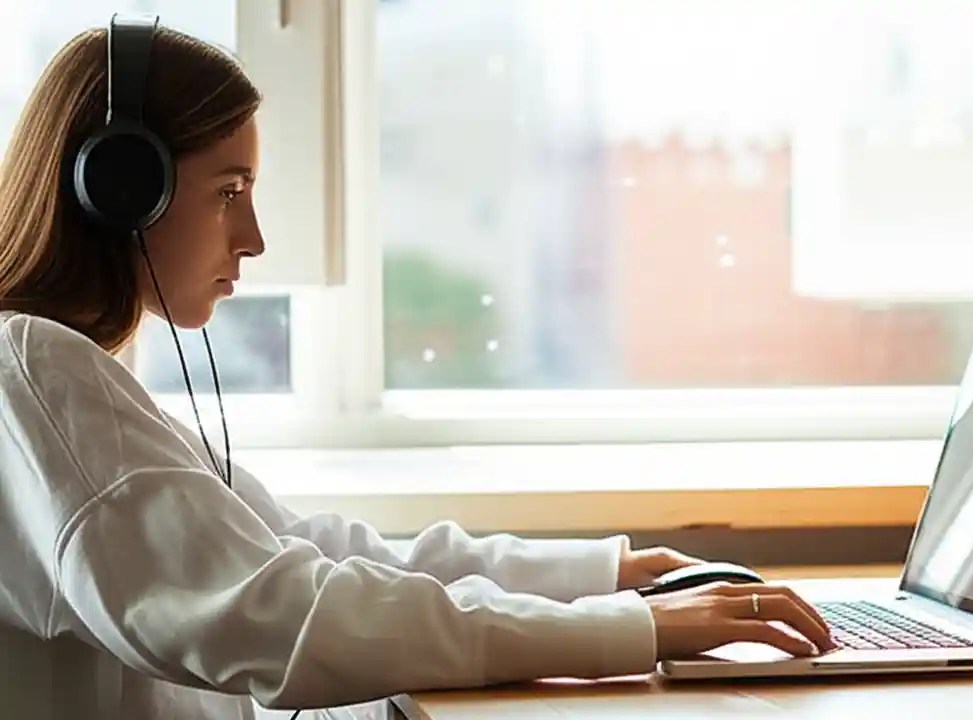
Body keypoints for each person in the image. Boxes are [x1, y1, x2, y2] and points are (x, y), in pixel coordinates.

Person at [0, 21, 836, 720]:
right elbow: (290, 614)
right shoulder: (39, 374)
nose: (252, 237)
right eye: (229, 191)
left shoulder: (54, 375)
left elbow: (301, 550)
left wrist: (603, 574)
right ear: (118, 191)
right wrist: (628, 630)